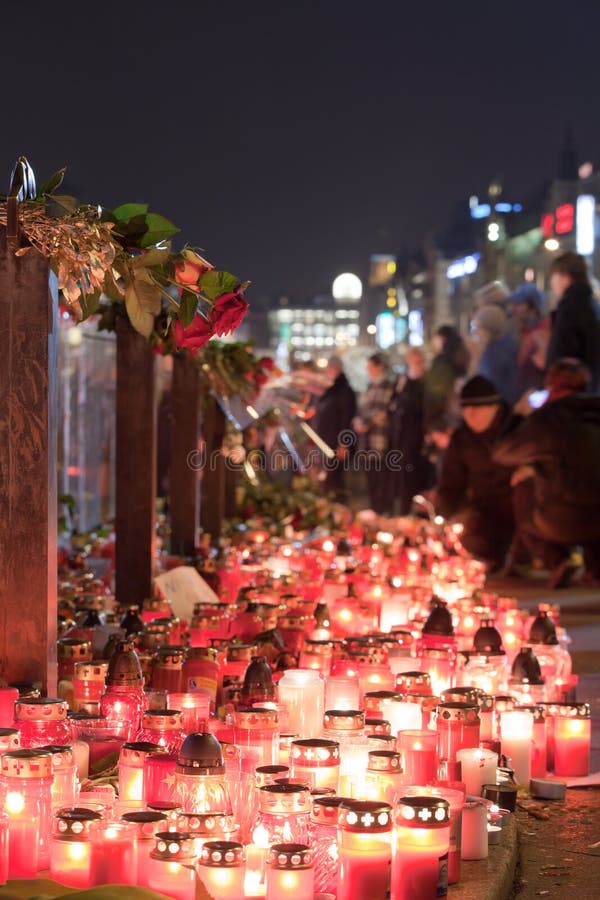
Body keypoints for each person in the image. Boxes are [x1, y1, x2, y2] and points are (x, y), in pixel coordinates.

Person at [493, 358, 600, 588]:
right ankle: (595, 567)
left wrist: (518, 415)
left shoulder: (548, 420)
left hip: (560, 520)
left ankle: (557, 560)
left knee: (521, 487)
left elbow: (503, 452)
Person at [435, 375, 517, 570]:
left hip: (518, 508)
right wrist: (449, 516)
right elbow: (450, 483)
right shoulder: (462, 440)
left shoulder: (517, 429)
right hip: (483, 510)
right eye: (466, 410)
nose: (471, 416)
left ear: (494, 407)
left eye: (477, 409)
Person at [546, 251, 600, 391]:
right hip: (590, 388)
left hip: (571, 392)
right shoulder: (590, 304)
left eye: (553, 276)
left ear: (566, 276)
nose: (552, 283)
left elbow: (563, 352)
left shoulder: (570, 307)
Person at [388, 347, 429, 514]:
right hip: (402, 435)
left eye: (418, 361)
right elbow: (394, 401)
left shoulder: (425, 383)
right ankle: (404, 511)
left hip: (418, 436)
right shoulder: (403, 380)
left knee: (417, 477)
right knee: (403, 476)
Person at [353, 353, 395, 515]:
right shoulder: (370, 386)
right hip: (367, 442)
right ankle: (374, 510)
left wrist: (366, 423)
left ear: (380, 367)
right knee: (370, 479)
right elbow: (362, 410)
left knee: (380, 479)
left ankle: (382, 511)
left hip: (379, 440)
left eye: (371, 367)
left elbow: (383, 411)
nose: (368, 370)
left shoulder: (387, 386)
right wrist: (357, 422)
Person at [313, 356, 357, 501]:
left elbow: (347, 419)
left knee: (334, 481)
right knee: (327, 481)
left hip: (335, 444)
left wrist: (344, 444)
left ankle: (339, 513)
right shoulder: (330, 389)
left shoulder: (344, 390)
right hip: (325, 442)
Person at [508, 283, 551, 394]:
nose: (514, 309)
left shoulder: (543, 332)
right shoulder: (524, 331)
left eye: (519, 304)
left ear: (533, 307)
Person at [472, 304, 519, 405]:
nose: (476, 334)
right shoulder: (509, 344)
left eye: (477, 328)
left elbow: (486, 389)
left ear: (487, 330)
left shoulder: (493, 356)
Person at [425, 325, 469, 424]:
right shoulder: (464, 355)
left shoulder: (441, 362)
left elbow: (434, 393)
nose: (435, 343)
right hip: (461, 412)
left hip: (444, 414)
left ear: (442, 339)